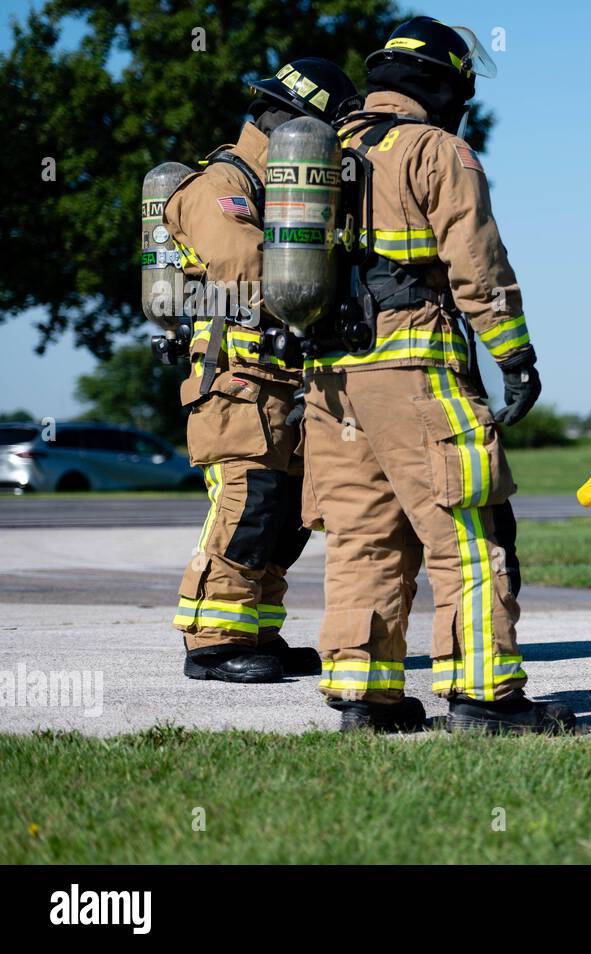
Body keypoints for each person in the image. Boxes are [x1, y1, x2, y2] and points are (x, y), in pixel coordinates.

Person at [300, 17, 574, 732]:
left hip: (331, 380)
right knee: (469, 536)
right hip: (414, 368)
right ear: (446, 86)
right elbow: (477, 266)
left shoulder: (324, 151)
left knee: (364, 538)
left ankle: (365, 700)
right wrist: (515, 355)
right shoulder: (437, 151)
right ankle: (486, 700)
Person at [164, 57, 361, 683]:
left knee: (286, 515)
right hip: (236, 380)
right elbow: (247, 269)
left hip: (284, 380)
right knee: (248, 504)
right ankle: (211, 638)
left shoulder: (277, 193)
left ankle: (256, 628)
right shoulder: (219, 186)